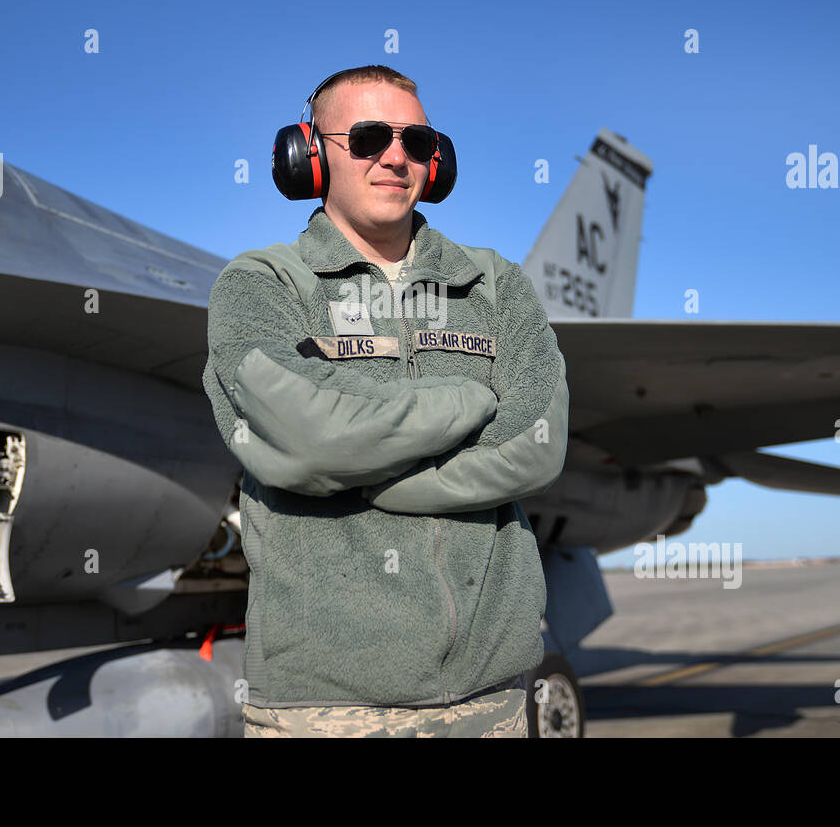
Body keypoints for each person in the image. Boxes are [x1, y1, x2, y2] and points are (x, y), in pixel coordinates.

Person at [201, 65, 569, 737]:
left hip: (492, 706)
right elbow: (309, 436)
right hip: (323, 712)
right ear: (309, 155)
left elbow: (536, 445)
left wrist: (360, 473)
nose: (395, 156)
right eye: (369, 137)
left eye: (417, 141)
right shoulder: (260, 286)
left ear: (437, 160)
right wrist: (468, 397)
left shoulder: (495, 285)